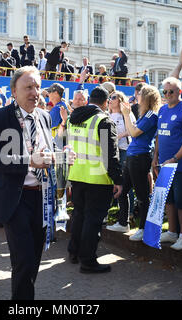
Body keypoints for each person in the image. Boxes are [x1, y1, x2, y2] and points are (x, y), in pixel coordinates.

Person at [0, 66, 65, 299]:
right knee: (24, 259)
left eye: (38, 87)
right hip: (14, 198)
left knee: (34, 258)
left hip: (41, 197)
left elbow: (46, 150)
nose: (35, 92)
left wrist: (61, 154)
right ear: (14, 91)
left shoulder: (45, 116)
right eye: (28, 87)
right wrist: (29, 161)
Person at [67, 86, 123, 273]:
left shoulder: (72, 118)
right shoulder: (103, 120)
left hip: (77, 175)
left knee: (78, 215)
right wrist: (118, 179)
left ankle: (74, 252)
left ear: (90, 99)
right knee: (92, 220)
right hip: (98, 179)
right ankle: (88, 261)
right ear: (106, 102)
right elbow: (110, 154)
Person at [152, 77, 182, 251]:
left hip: (181, 165)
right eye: (165, 91)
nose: (168, 94)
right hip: (164, 163)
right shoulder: (163, 110)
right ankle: (172, 231)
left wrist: (176, 158)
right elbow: (159, 136)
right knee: (168, 199)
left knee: (181, 200)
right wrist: (155, 156)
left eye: (171, 91)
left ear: (180, 92)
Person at [118, 85, 161, 241]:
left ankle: (143, 228)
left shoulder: (151, 115)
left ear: (148, 97)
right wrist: (127, 115)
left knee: (142, 195)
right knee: (122, 191)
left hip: (140, 157)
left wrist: (126, 115)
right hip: (132, 157)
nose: (137, 95)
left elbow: (133, 132)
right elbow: (132, 131)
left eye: (140, 93)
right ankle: (123, 222)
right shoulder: (144, 115)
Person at [106, 90, 138, 233]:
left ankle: (128, 214)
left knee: (124, 183)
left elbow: (132, 130)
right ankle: (113, 213)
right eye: (109, 98)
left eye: (113, 97)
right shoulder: (107, 114)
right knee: (110, 182)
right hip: (110, 152)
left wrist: (117, 136)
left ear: (120, 100)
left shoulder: (127, 113)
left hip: (124, 150)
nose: (110, 100)